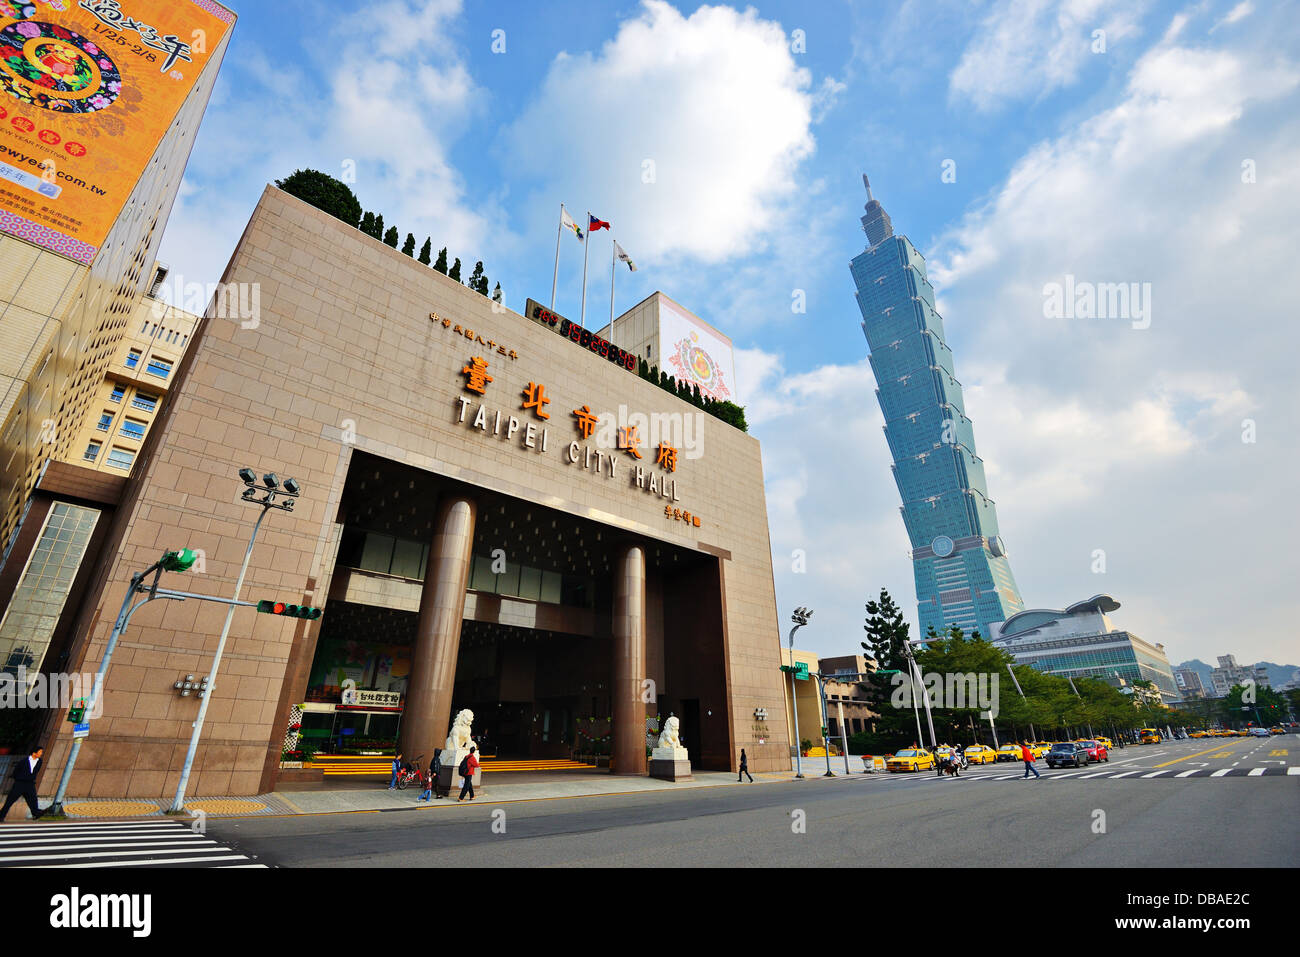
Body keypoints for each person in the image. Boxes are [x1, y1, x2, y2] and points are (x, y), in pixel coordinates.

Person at [1, 745, 45, 821]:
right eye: (40, 752)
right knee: (10, 800)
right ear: (34, 753)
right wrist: (19, 779)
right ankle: (1, 816)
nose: (41, 753)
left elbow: (34, 772)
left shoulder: (40, 761)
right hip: (20, 784)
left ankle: (36, 813)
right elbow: (15, 772)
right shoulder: (23, 761)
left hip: (30, 783)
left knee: (33, 799)